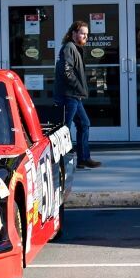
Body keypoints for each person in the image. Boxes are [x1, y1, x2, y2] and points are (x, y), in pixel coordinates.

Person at [54, 21, 100, 169]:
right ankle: (62, 162)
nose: (85, 36)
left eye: (86, 34)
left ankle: (83, 159)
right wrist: (77, 86)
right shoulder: (69, 47)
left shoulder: (76, 48)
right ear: (73, 33)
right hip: (69, 95)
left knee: (84, 124)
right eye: (82, 33)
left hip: (75, 95)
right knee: (64, 129)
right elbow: (66, 71)